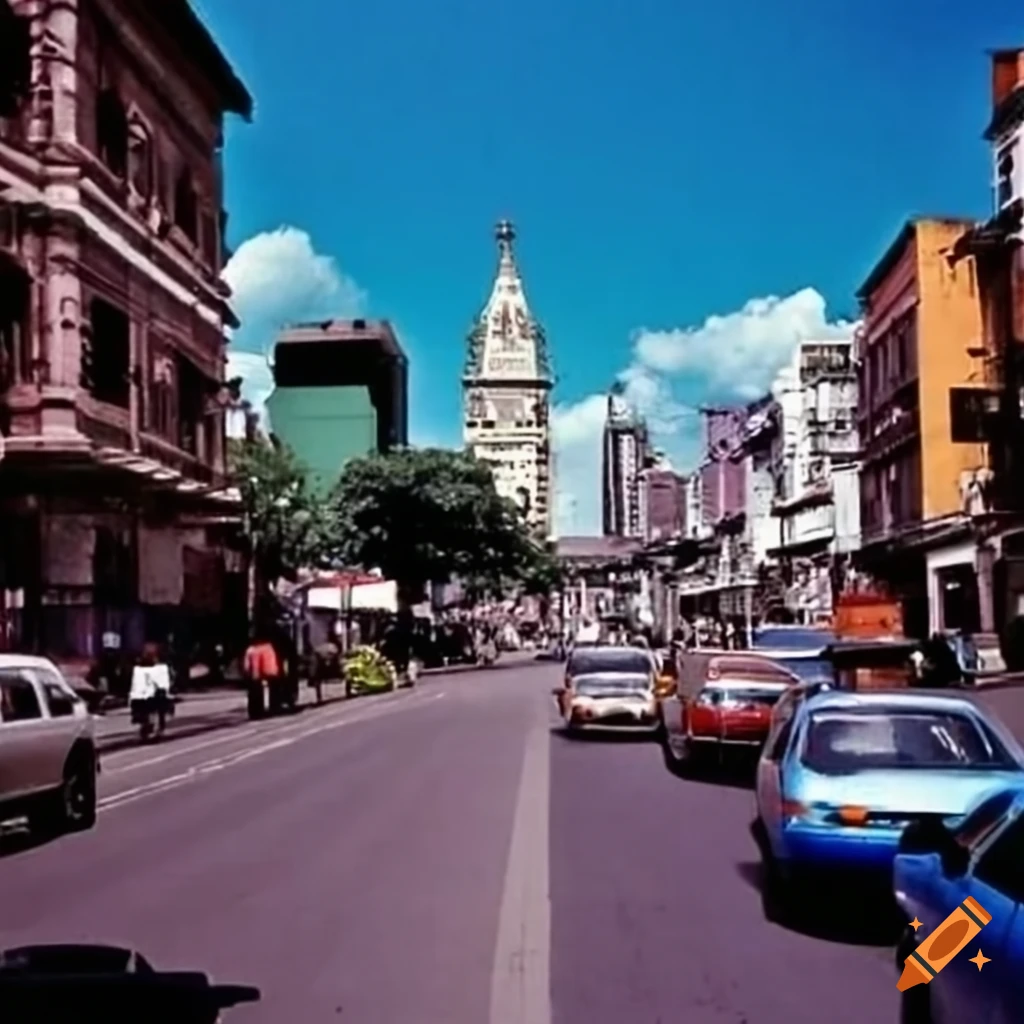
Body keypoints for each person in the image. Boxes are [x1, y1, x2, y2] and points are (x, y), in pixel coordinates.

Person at [129, 643, 173, 740]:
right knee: (148, 708)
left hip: (155, 695)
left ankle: (155, 727)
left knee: (158, 706)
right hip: (144, 696)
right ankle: (148, 727)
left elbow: (164, 683)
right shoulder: (139, 669)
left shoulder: (160, 668)